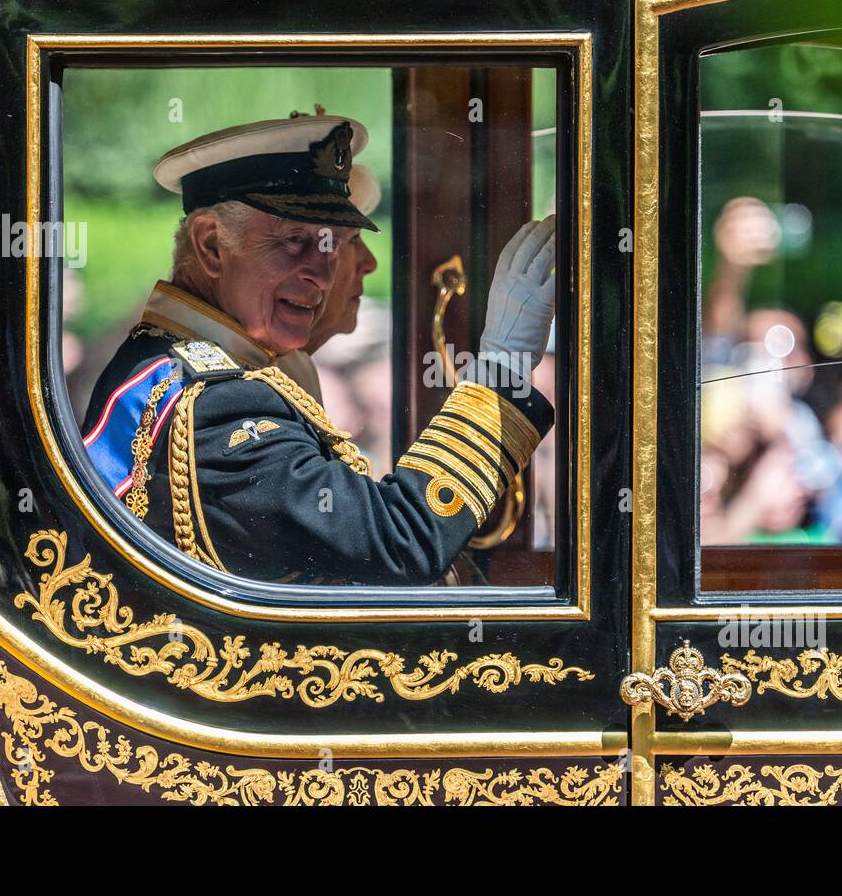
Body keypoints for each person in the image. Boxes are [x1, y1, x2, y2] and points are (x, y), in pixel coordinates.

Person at [82, 114, 556, 585]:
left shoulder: (184, 362)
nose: (324, 275)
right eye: (295, 241)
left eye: (331, 247)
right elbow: (399, 541)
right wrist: (501, 366)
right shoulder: (214, 406)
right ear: (211, 245)